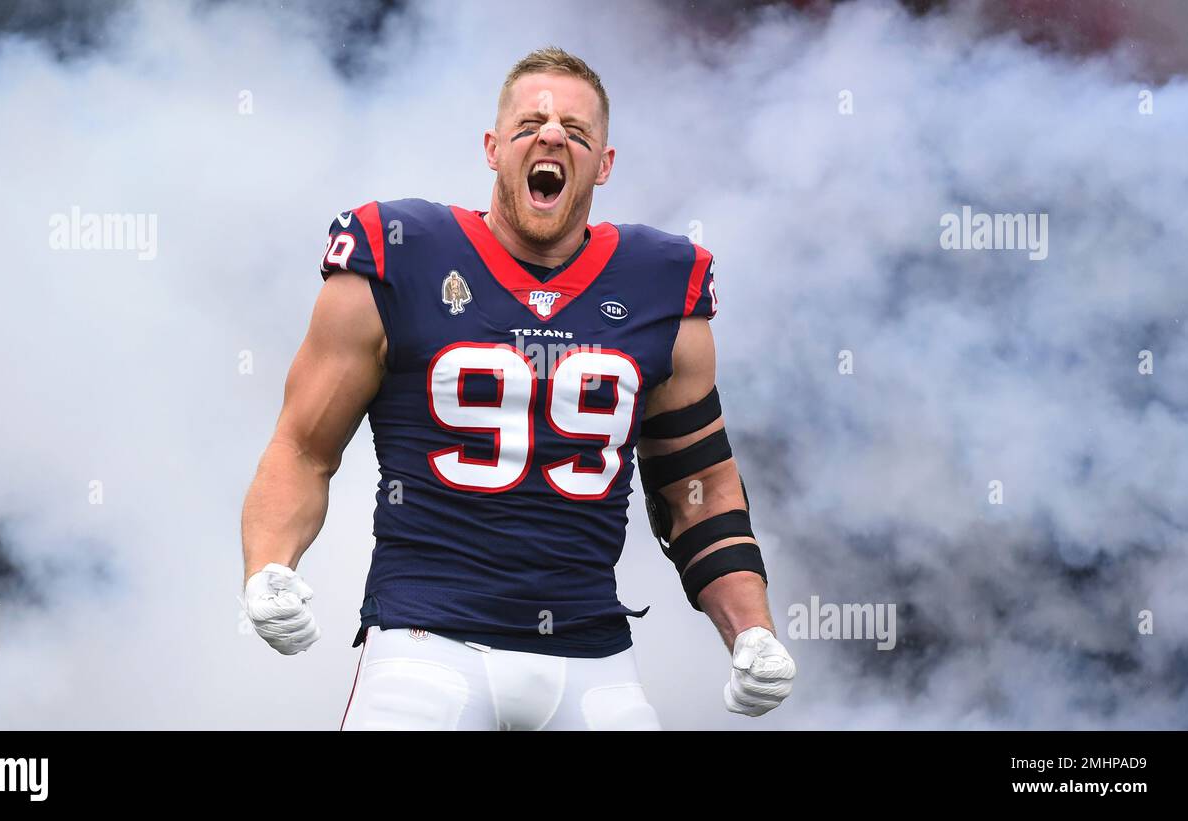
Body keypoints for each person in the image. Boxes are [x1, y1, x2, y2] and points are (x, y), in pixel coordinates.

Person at [240, 46, 795, 730]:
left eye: (577, 130)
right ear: (493, 148)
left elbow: (697, 486)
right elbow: (302, 448)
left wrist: (752, 630)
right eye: (531, 123)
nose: (553, 135)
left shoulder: (661, 284)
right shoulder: (401, 251)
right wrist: (269, 567)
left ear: (605, 163)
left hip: (593, 659)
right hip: (427, 647)